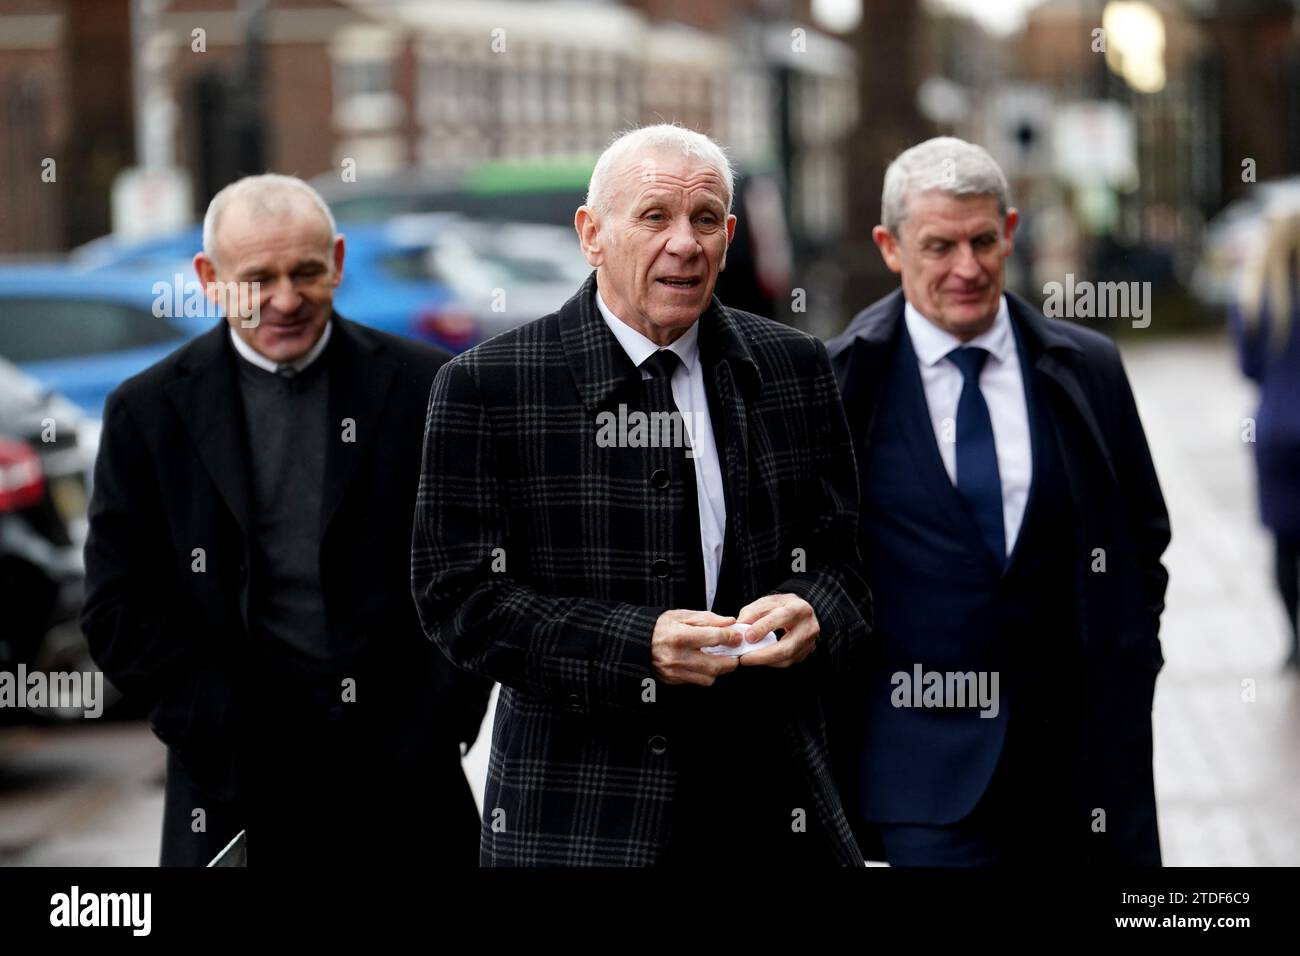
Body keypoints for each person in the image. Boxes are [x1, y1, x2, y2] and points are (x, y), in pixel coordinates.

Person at [411, 124, 872, 866]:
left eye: (707, 219)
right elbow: (459, 602)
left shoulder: (794, 367)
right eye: (655, 217)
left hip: (770, 810)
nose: (685, 244)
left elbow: (847, 565)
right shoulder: (487, 387)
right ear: (591, 235)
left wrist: (813, 608)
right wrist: (638, 648)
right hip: (581, 820)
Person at [81, 174, 490, 866]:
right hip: (232, 787)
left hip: (408, 786)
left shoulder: (428, 387)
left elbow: (476, 572)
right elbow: (119, 609)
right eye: (257, 278)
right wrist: (216, 730)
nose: (286, 299)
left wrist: (439, 719)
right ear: (208, 277)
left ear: (336, 259)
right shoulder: (146, 413)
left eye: (306, 271)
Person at [825, 137, 1171, 866]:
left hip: (1084, 768)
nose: (967, 267)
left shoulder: (1087, 368)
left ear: (1011, 231)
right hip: (926, 779)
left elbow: (1142, 533)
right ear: (891, 247)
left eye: (984, 240)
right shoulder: (842, 383)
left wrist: (1130, 655)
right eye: (939, 245)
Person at [1231, 209, 1300, 670]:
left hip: (1275, 431)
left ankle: (1296, 641)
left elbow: (1249, 368)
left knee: (1285, 544)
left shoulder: (1254, 298)